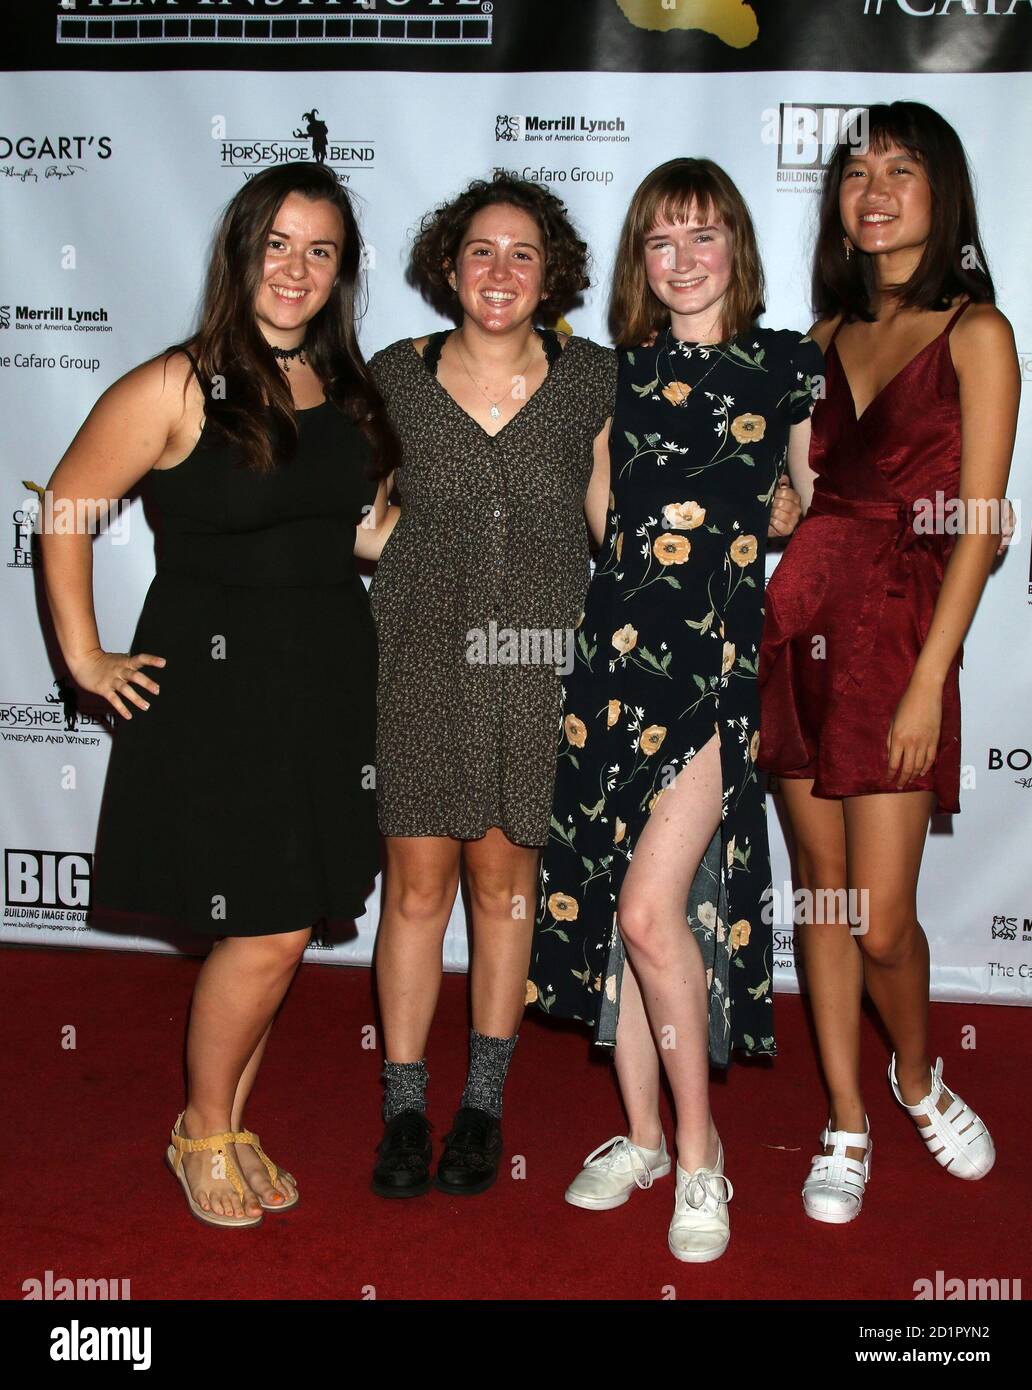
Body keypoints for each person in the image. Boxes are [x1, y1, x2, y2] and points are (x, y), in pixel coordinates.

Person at [40, 162, 400, 1228]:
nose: (295, 269)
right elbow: (63, 510)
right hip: (217, 684)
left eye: (320, 251)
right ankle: (201, 1128)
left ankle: (227, 1121)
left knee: (278, 921)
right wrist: (84, 659)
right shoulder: (176, 384)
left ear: (341, 273)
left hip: (328, 673)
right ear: (241, 252)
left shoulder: (345, 390)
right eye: (277, 244)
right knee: (267, 927)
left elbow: (357, 531)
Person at [527, 157, 822, 1261]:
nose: (685, 258)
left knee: (654, 913)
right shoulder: (611, 378)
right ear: (638, 263)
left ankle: (703, 1160)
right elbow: (611, 538)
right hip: (613, 672)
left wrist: (782, 516)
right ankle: (642, 1137)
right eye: (661, 239)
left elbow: (817, 513)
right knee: (624, 923)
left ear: (736, 249)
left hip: (713, 681)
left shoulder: (786, 365)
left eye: (704, 236)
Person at [757, 102, 1018, 1223]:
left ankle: (916, 1077)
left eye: (898, 171)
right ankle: (844, 1120)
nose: (871, 191)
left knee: (877, 918)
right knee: (819, 898)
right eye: (855, 173)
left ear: (940, 192)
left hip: (901, 638)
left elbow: (979, 522)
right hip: (799, 621)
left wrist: (926, 680)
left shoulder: (977, 332)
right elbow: (805, 503)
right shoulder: (813, 342)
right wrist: (764, 513)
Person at [364, 173, 619, 1198]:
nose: (499, 270)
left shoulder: (592, 375)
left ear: (550, 270)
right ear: (447, 264)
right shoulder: (391, 374)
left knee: (504, 888)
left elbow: (617, 524)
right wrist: (397, 548)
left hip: (537, 669)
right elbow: (356, 510)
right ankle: (403, 1107)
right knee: (417, 891)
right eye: (480, 250)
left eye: (521, 253)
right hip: (419, 661)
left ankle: (481, 1105)